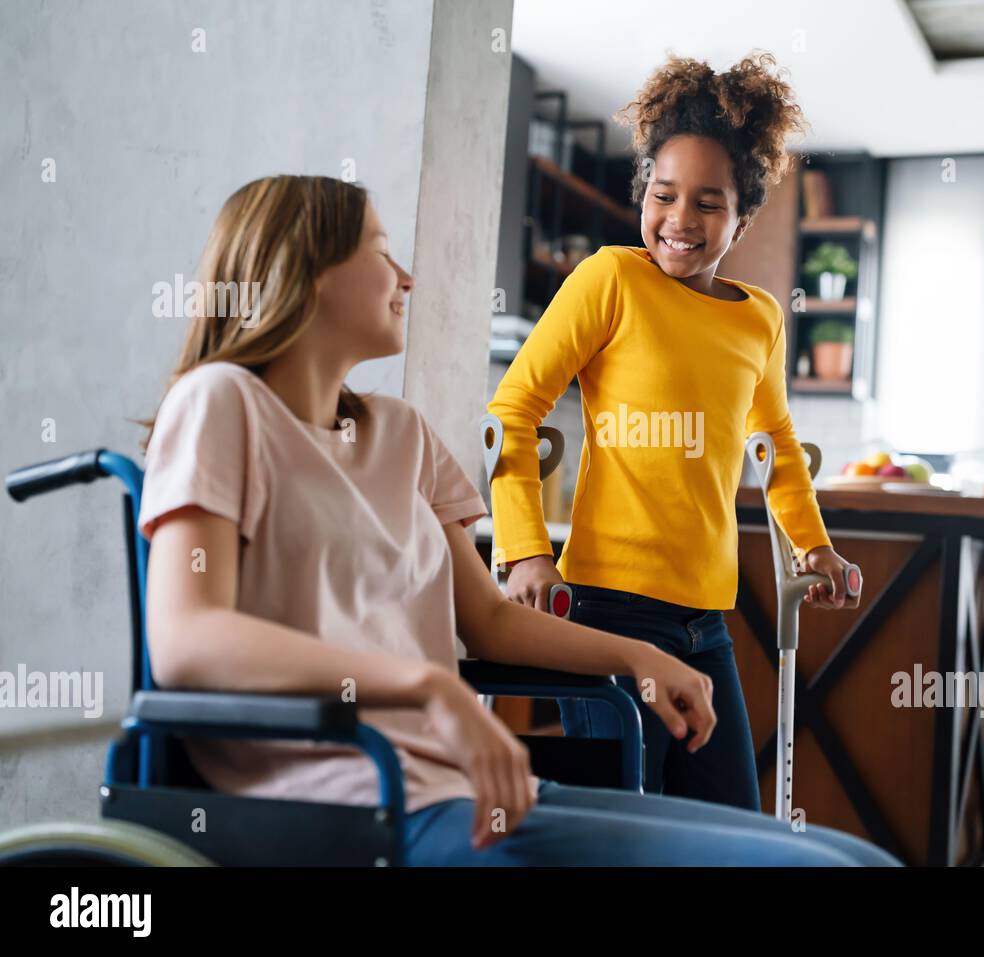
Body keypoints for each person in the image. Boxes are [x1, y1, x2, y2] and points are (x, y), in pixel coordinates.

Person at [137, 173, 900, 866]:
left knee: (853, 859)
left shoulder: (401, 435)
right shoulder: (220, 404)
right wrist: (429, 690)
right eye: (379, 250)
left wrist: (642, 657)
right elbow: (186, 642)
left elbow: (492, 626)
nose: (405, 275)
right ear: (305, 269)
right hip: (347, 802)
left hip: (467, 785)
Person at [488, 52, 859, 811]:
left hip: (705, 625)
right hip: (605, 612)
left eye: (708, 203)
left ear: (743, 220)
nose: (680, 220)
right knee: (619, 827)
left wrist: (813, 544)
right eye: (664, 195)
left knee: (729, 826)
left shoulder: (760, 319)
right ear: (643, 195)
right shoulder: (609, 281)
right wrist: (525, 549)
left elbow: (778, 446)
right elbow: (513, 411)